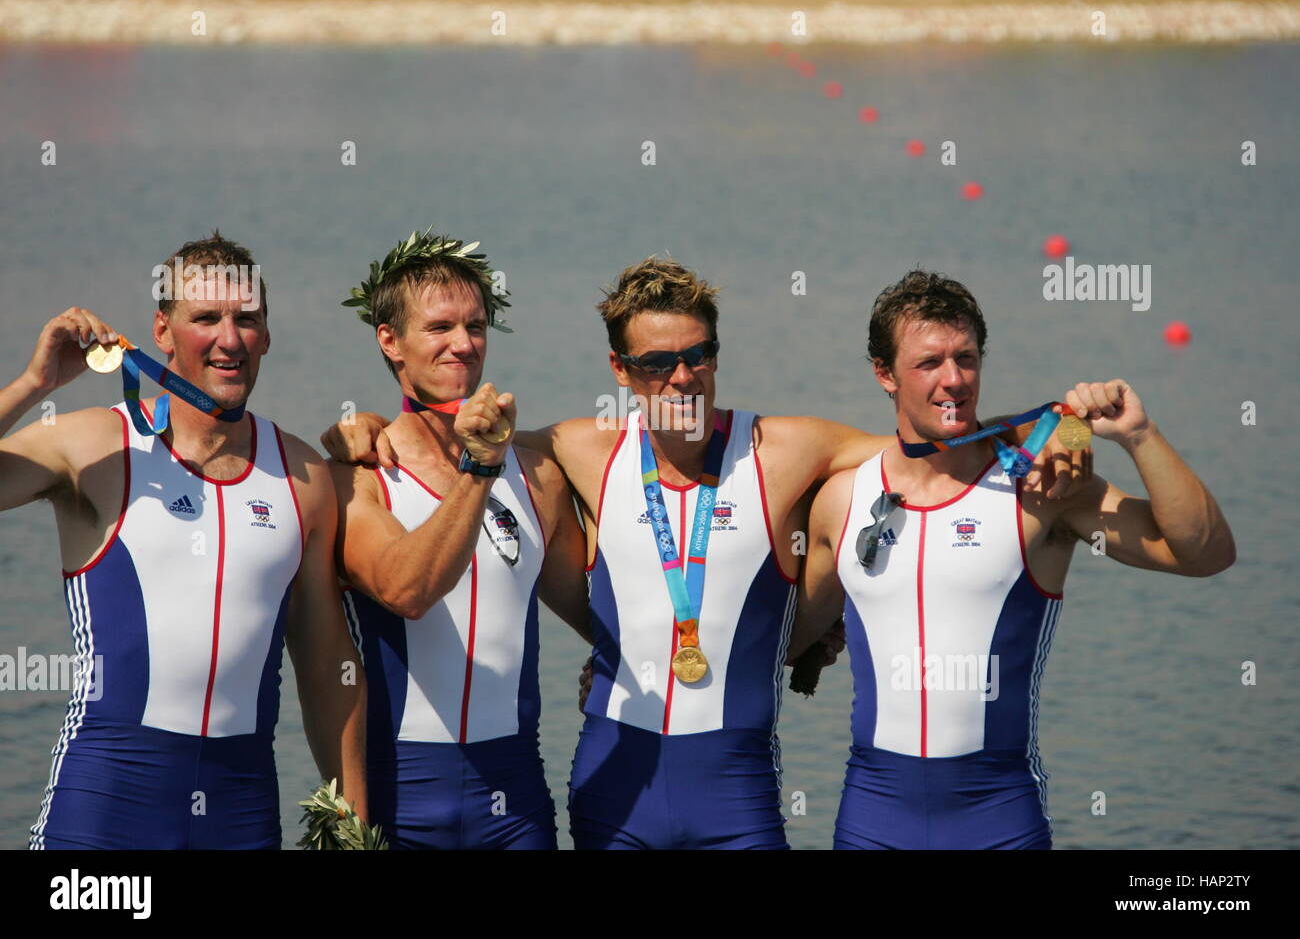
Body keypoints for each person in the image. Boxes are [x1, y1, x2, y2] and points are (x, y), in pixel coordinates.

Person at [325, 256, 1090, 849]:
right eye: (656, 364)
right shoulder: (578, 451)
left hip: (739, 791)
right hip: (615, 780)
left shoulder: (788, 448)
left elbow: (929, 442)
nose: (681, 376)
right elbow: (446, 437)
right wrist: (361, 429)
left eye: (698, 354)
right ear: (621, 373)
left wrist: (1057, 428)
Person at [792, 269, 1236, 849]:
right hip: (873, 820)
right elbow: (786, 637)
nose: (953, 380)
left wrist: (1138, 435)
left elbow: (1205, 553)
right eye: (929, 362)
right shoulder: (841, 501)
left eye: (967, 358)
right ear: (884, 374)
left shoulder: (1043, 490)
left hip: (998, 821)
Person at [0, 232, 366, 849]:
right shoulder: (93, 448)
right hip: (104, 809)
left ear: (268, 335)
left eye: (246, 319)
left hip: (242, 815)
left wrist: (354, 826)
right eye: (206, 318)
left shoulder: (303, 479)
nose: (229, 338)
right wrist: (34, 384)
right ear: (163, 331)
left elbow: (328, 666)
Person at [330, 229, 591, 849]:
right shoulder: (360, 479)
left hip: (517, 799)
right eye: (440, 327)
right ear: (389, 340)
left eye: (476, 326)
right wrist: (478, 468)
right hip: (400, 800)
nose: (463, 344)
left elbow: (600, 613)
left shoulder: (539, 477)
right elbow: (406, 589)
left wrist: (791, 629)